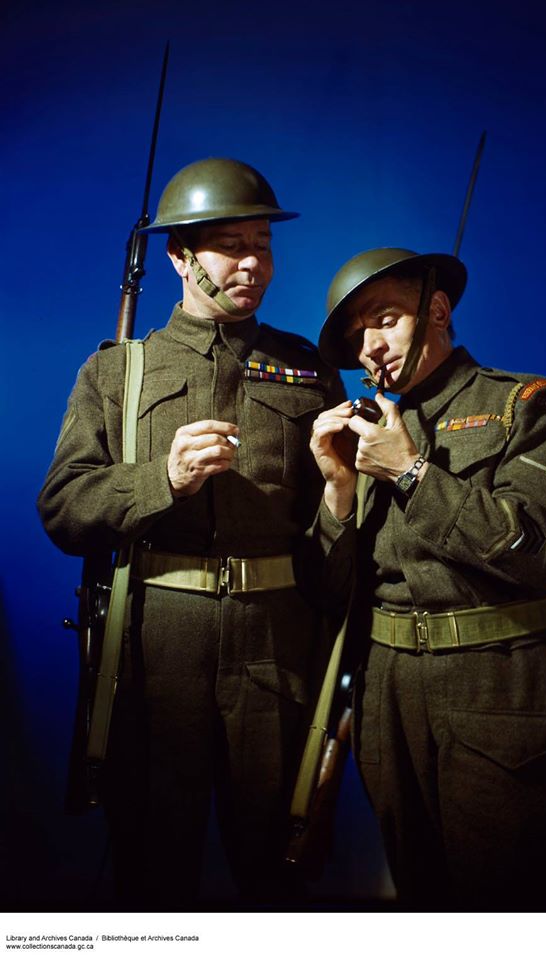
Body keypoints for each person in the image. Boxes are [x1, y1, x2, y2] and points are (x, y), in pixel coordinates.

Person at [37, 157, 345, 907]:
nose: (252, 262)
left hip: (276, 647)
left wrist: (341, 492)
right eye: (231, 245)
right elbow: (64, 509)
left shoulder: (306, 371)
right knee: (153, 864)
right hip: (157, 649)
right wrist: (160, 480)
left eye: (263, 247)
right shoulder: (119, 371)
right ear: (179, 257)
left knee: (277, 864)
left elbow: (334, 532)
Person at [309, 247, 546, 908]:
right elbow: (330, 591)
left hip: (494, 684)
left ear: (436, 311)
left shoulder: (522, 404)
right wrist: (339, 491)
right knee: (420, 900)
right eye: (357, 334)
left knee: (507, 905)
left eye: (384, 320)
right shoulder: (362, 430)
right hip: (388, 694)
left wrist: (412, 473)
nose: (369, 345)